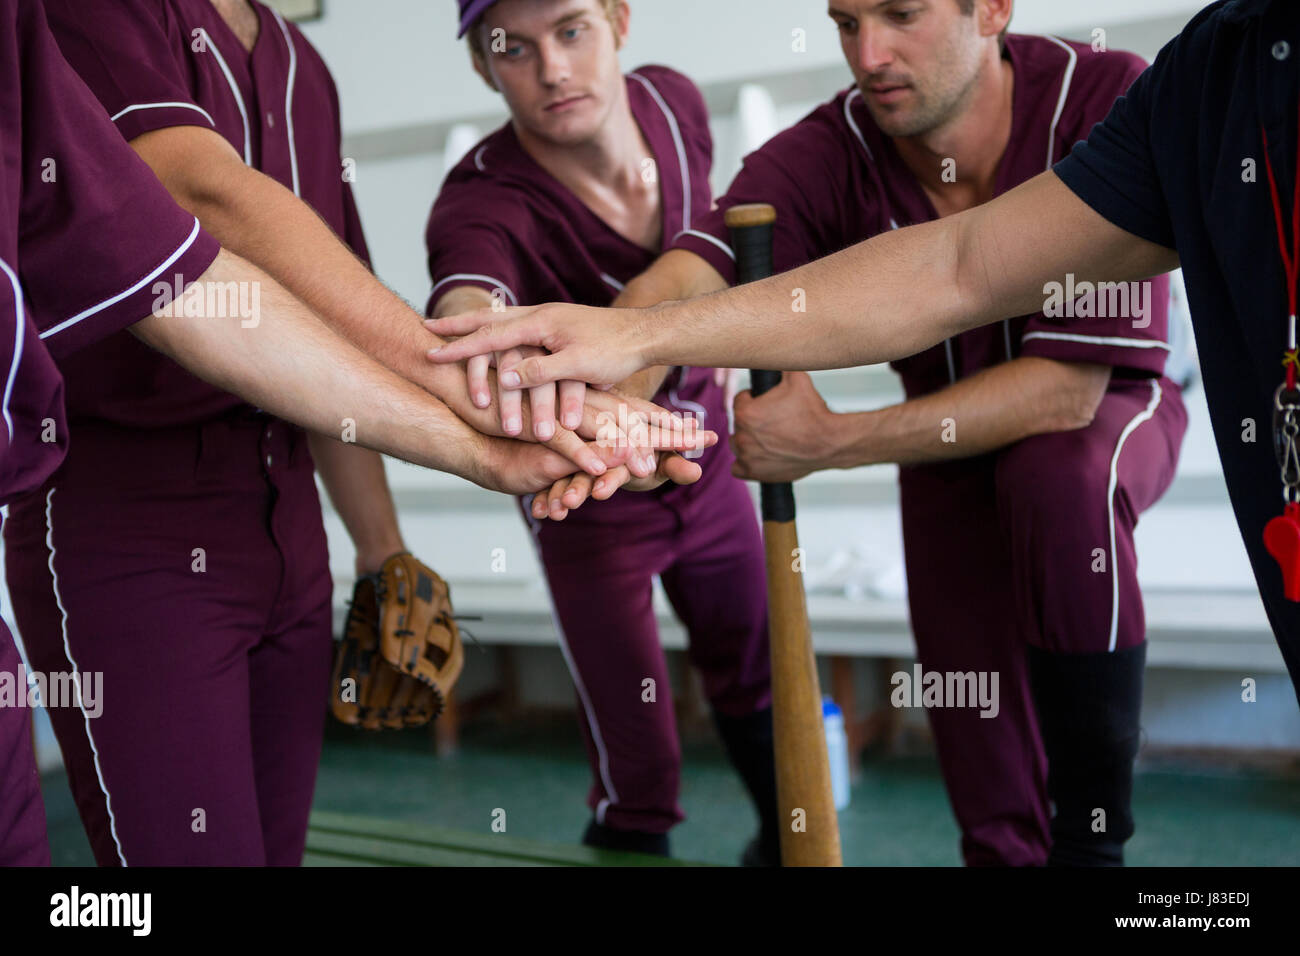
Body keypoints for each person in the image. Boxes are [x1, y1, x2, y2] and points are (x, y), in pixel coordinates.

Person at [430, 0, 1300, 870]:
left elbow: (1064, 395)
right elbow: (686, 280)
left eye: (900, 14)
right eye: (845, 22)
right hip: (935, 453)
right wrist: (618, 400)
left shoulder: (1103, 89)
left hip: (1102, 412)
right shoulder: (832, 144)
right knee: (983, 771)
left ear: (991, 9)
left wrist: (831, 441)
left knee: (1056, 478)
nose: (869, 53)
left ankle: (1092, 846)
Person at [1, 0, 709, 867]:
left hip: (290, 509)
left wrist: (383, 549)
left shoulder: (303, 64)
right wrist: (496, 405)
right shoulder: (96, 14)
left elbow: (326, 329)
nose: (554, 67)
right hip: (133, 521)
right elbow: (197, 207)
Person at [424, 0, 777, 863]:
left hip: (709, 457)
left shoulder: (676, 103)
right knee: (636, 745)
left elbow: (718, 261)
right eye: (513, 47)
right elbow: (465, 312)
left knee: (759, 670)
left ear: (620, 19)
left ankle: (784, 840)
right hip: (587, 489)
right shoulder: (481, 201)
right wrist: (466, 326)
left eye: (572, 29)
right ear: (481, 65)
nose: (550, 69)